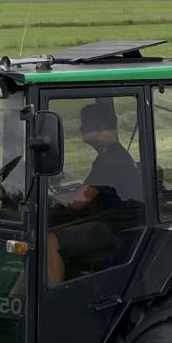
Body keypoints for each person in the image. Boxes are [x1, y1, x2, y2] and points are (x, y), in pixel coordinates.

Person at [46, 100, 143, 282]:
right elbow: (88, 191)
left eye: (86, 123)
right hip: (109, 220)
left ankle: (51, 296)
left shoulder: (111, 160)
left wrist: (49, 197)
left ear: (102, 126)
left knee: (48, 240)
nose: (81, 128)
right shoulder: (110, 155)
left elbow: (78, 202)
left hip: (115, 227)